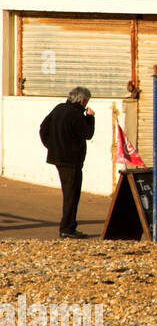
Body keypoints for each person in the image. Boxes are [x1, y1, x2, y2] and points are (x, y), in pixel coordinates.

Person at [40, 86, 95, 239]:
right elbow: (88, 134)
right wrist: (90, 117)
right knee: (72, 194)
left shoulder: (59, 109)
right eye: (87, 101)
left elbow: (43, 129)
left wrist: (52, 147)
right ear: (83, 100)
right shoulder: (77, 114)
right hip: (72, 161)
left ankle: (69, 226)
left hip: (59, 159)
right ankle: (67, 228)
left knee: (69, 193)